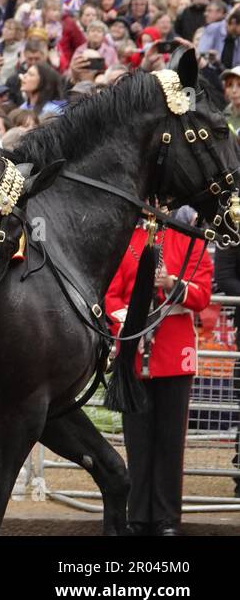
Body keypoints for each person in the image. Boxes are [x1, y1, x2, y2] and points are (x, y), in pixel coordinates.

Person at [106, 215, 214, 535]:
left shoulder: (189, 240)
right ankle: (137, 516)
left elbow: (203, 293)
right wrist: (132, 323)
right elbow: (111, 295)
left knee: (170, 442)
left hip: (174, 352)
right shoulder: (126, 237)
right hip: (136, 350)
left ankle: (167, 518)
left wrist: (171, 284)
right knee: (137, 443)